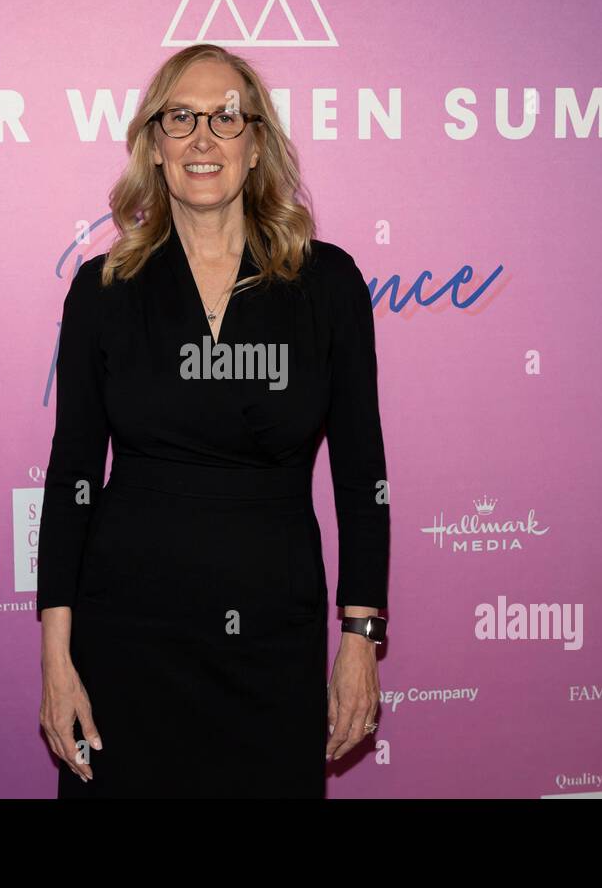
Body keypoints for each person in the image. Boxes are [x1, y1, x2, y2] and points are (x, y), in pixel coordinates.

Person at [36, 43, 390, 798]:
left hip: (271, 636)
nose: (203, 137)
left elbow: (363, 478)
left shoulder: (327, 284)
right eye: (181, 118)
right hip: (128, 635)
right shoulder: (103, 292)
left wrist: (359, 639)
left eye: (226, 118)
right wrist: (56, 661)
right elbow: (72, 477)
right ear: (155, 148)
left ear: (256, 143)